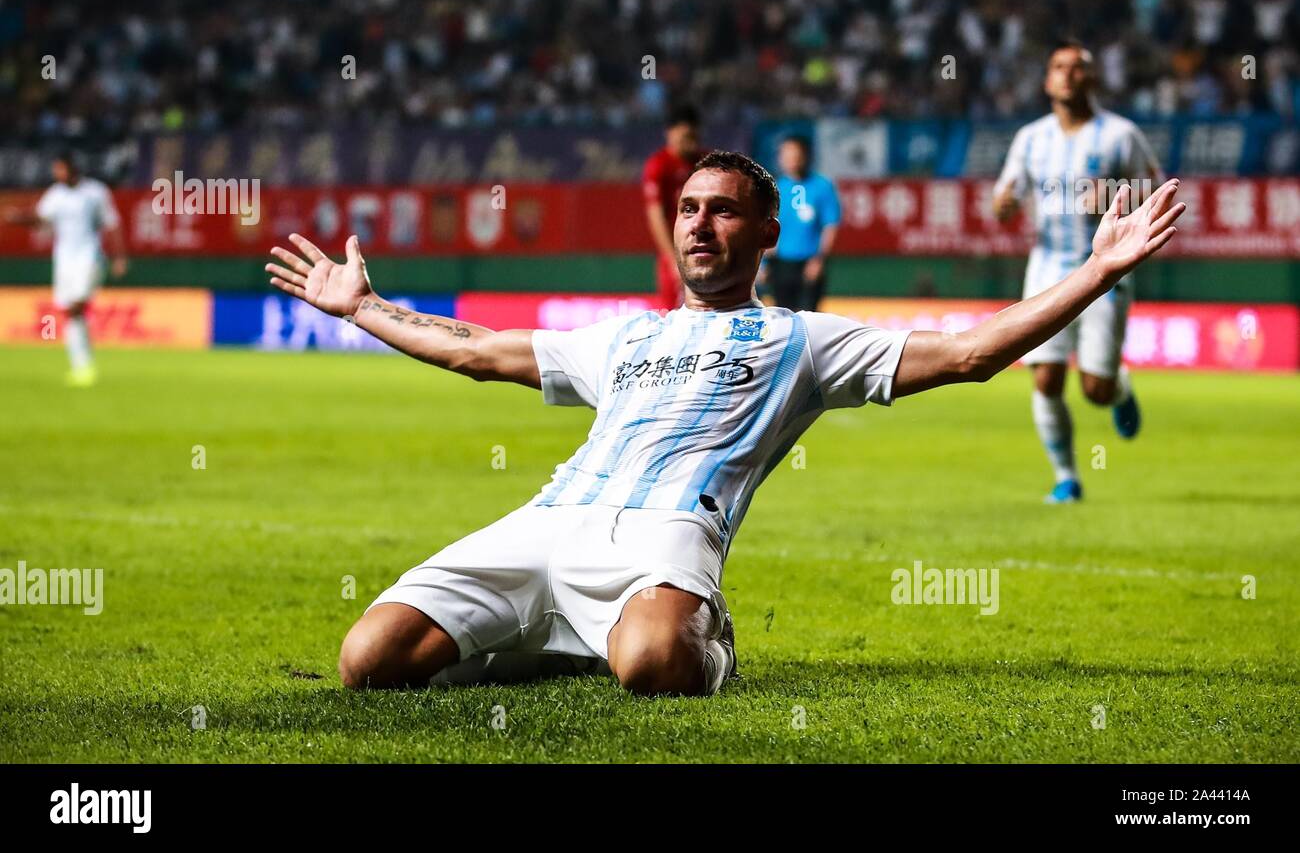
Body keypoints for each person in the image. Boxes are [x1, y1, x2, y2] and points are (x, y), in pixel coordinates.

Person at [265, 150, 1184, 696]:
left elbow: (973, 351)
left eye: (724, 211)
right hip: (547, 522)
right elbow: (477, 347)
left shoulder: (805, 341)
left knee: (656, 664)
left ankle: (707, 635)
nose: (700, 225)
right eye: (689, 210)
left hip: (670, 534)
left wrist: (1095, 275)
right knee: (367, 662)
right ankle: (556, 635)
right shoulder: (625, 336)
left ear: (765, 234)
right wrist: (365, 310)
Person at [993, 40, 1164, 503]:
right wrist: (1004, 205)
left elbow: (1154, 183)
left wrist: (1117, 200)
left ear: (1093, 78)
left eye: (1078, 67)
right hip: (1047, 267)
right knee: (1046, 377)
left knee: (1094, 389)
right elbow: (1002, 199)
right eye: (1059, 66)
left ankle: (1118, 388)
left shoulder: (1119, 135)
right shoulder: (1031, 138)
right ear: (1047, 81)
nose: (1068, 74)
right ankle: (1067, 477)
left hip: (1105, 272)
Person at [2, 153, 128, 385]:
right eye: (55, 170)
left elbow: (112, 224)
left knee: (76, 307)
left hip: (89, 256)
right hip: (64, 260)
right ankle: (82, 367)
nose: (57, 174)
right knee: (71, 313)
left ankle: (84, 365)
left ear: (73, 168)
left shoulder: (96, 192)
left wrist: (119, 257)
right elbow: (40, 220)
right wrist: (17, 218)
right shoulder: (55, 196)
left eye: (61, 169)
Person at [766, 134, 840, 311]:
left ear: (806, 156)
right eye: (787, 155)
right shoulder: (774, 186)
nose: (792, 160)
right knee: (782, 315)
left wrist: (819, 259)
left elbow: (830, 225)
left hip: (809, 262)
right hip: (781, 263)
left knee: (808, 317)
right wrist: (763, 263)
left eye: (796, 154)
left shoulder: (822, 186)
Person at [642, 105, 703, 311]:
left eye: (693, 136)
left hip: (702, 248)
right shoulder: (659, 165)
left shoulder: (705, 161)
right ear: (670, 132)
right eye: (685, 136)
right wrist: (671, 258)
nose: (690, 142)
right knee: (672, 313)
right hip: (676, 250)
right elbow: (655, 215)